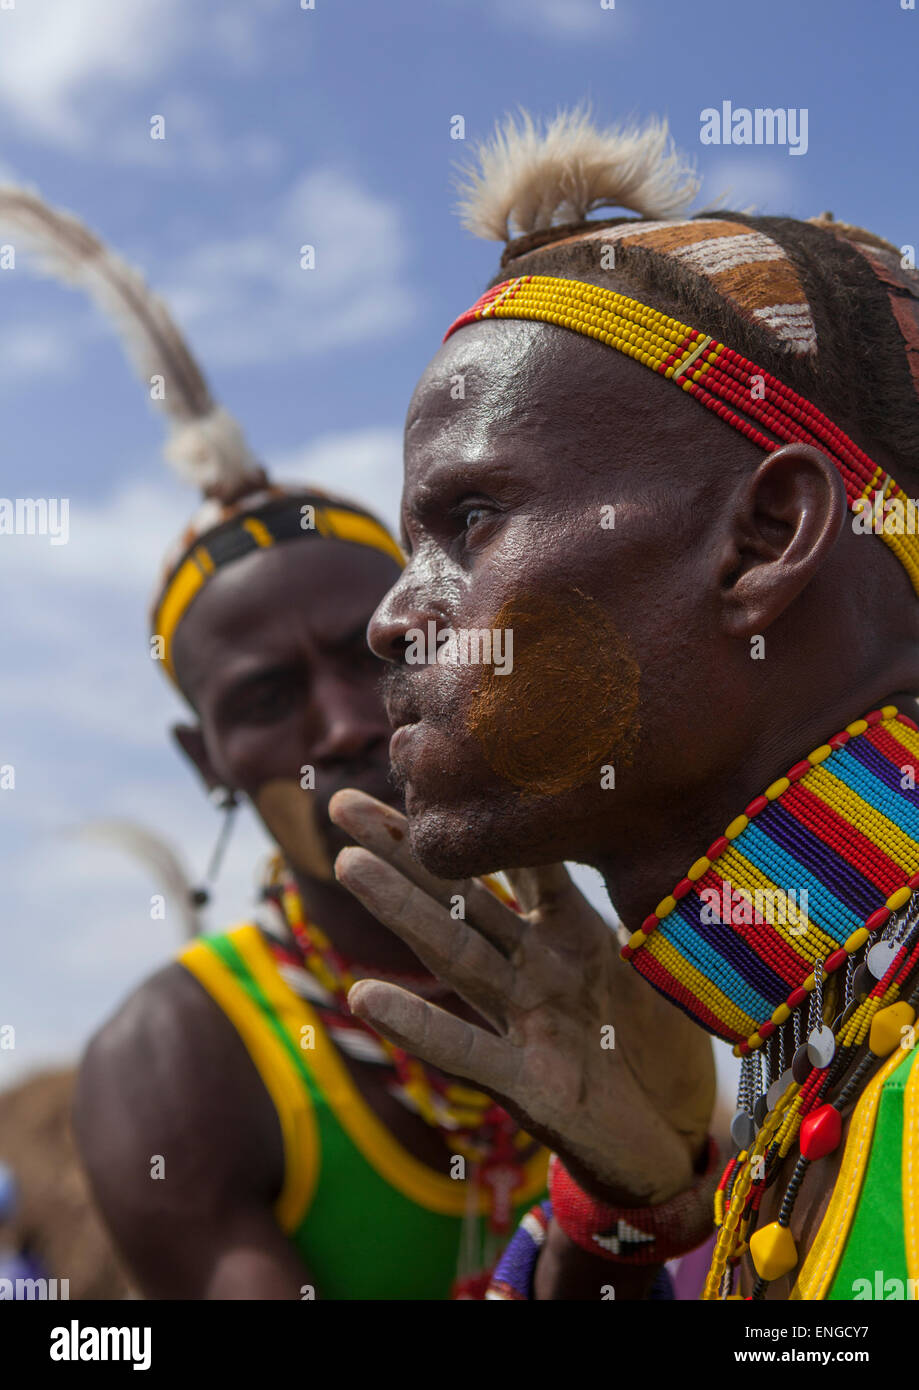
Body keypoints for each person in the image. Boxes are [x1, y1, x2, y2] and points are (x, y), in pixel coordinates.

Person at [0, 189, 704, 1296]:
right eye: (270, 694)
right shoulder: (176, 1065)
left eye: (368, 653)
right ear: (206, 761)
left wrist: (634, 1195)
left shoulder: (616, 973)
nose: (340, 721)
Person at [326, 110, 919, 1300]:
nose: (391, 620)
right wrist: (625, 1221)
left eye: (471, 521)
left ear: (764, 538)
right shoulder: (813, 1058)